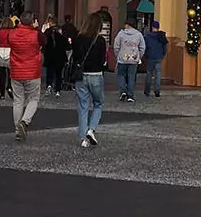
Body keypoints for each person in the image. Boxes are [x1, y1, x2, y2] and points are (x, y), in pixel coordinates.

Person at [72, 12, 107, 148]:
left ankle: (83, 138)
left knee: (83, 106)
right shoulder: (100, 40)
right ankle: (91, 129)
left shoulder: (78, 38)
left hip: (81, 76)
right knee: (98, 103)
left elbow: (75, 58)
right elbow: (102, 60)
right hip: (96, 75)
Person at [6, 14, 43, 141]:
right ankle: (24, 122)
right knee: (33, 99)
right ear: (32, 22)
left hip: (16, 71)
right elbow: (45, 42)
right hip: (32, 71)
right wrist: (36, 29)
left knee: (18, 100)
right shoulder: (36, 34)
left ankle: (17, 129)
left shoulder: (12, 33)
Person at [112, 19, 144, 102]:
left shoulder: (121, 34)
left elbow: (116, 46)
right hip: (133, 59)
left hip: (122, 59)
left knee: (121, 75)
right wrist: (139, 56)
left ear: (127, 25)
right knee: (131, 77)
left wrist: (117, 55)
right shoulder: (139, 35)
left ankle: (123, 91)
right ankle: (130, 95)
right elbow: (142, 47)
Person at [41, 20, 67, 97]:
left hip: (50, 59)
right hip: (60, 59)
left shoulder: (48, 38)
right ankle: (57, 90)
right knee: (58, 75)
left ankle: (49, 86)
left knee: (50, 73)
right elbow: (67, 47)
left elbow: (44, 48)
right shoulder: (62, 38)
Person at [143, 21, 169, 98]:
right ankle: (157, 91)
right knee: (158, 74)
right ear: (158, 27)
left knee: (149, 73)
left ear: (152, 27)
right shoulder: (161, 36)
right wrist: (163, 54)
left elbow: (145, 47)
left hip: (150, 57)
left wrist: (146, 55)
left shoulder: (147, 36)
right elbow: (164, 47)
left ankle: (147, 91)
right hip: (159, 57)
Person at [0, 17, 14, 99]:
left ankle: (2, 94)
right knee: (11, 74)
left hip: (1, 52)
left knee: (2, 75)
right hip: (10, 53)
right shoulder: (13, 32)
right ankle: (9, 87)